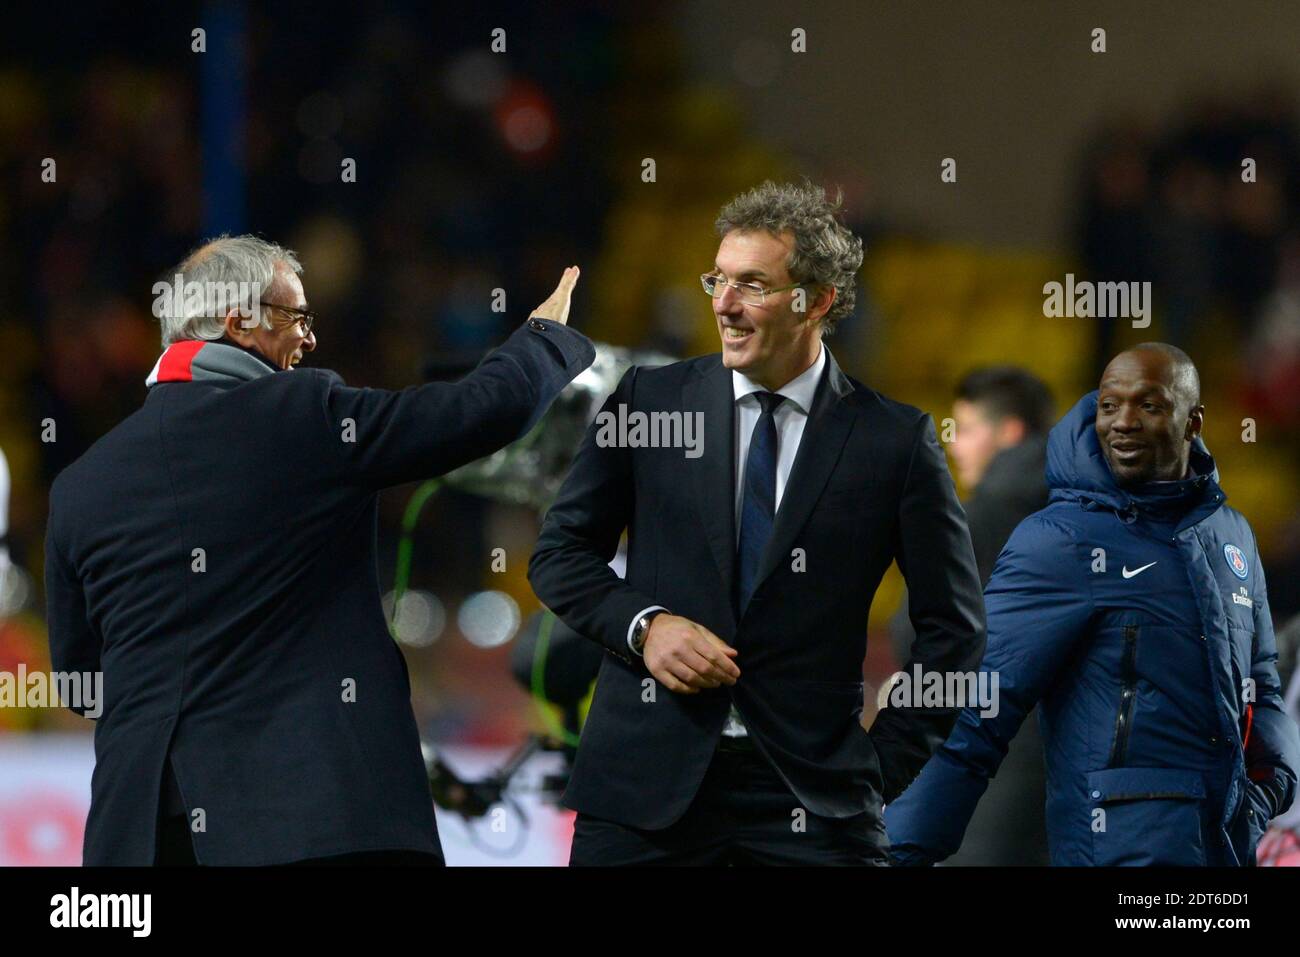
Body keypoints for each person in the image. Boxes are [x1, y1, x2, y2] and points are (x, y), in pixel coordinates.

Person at [45, 235, 595, 865]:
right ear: (239, 321)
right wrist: (543, 338)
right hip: (311, 825)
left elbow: (82, 683)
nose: (309, 340)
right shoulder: (302, 414)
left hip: (138, 840)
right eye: (296, 318)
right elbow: (478, 412)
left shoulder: (80, 485)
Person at [528, 181, 986, 865]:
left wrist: (878, 767)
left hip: (812, 801)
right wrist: (644, 625)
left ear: (818, 300)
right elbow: (561, 552)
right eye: (718, 279)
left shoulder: (894, 440)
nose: (724, 303)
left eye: (753, 285)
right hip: (641, 796)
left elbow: (955, 630)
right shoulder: (649, 401)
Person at [885, 343, 1300, 866]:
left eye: (1148, 405)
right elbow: (979, 703)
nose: (1122, 422)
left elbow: (1261, 681)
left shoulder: (1231, 535)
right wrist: (899, 849)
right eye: (1109, 405)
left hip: (1224, 851)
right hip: (1114, 851)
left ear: (1193, 421)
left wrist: (1271, 785)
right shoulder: (1062, 539)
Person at [892, 366, 1055, 865]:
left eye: (964, 430)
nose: (955, 447)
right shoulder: (1087, 510)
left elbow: (915, 632)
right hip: (1066, 764)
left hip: (987, 760)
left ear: (1009, 432)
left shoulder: (979, 513)